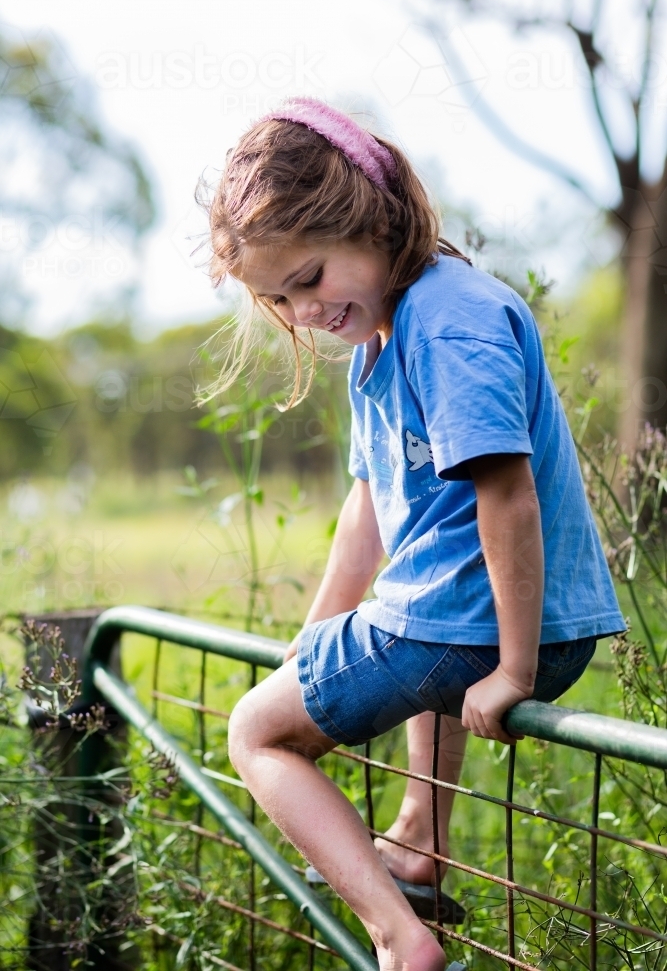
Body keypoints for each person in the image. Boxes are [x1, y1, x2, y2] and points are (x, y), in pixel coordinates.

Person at [201, 97, 626, 971]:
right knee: (409, 642)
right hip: (474, 624)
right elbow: (370, 503)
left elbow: (506, 495)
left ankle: (400, 939)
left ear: (372, 217)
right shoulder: (384, 341)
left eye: (312, 277)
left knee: (255, 733)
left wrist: (511, 667)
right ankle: (417, 839)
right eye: (283, 298)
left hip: (485, 629)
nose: (306, 310)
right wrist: (319, 632)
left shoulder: (449, 319)